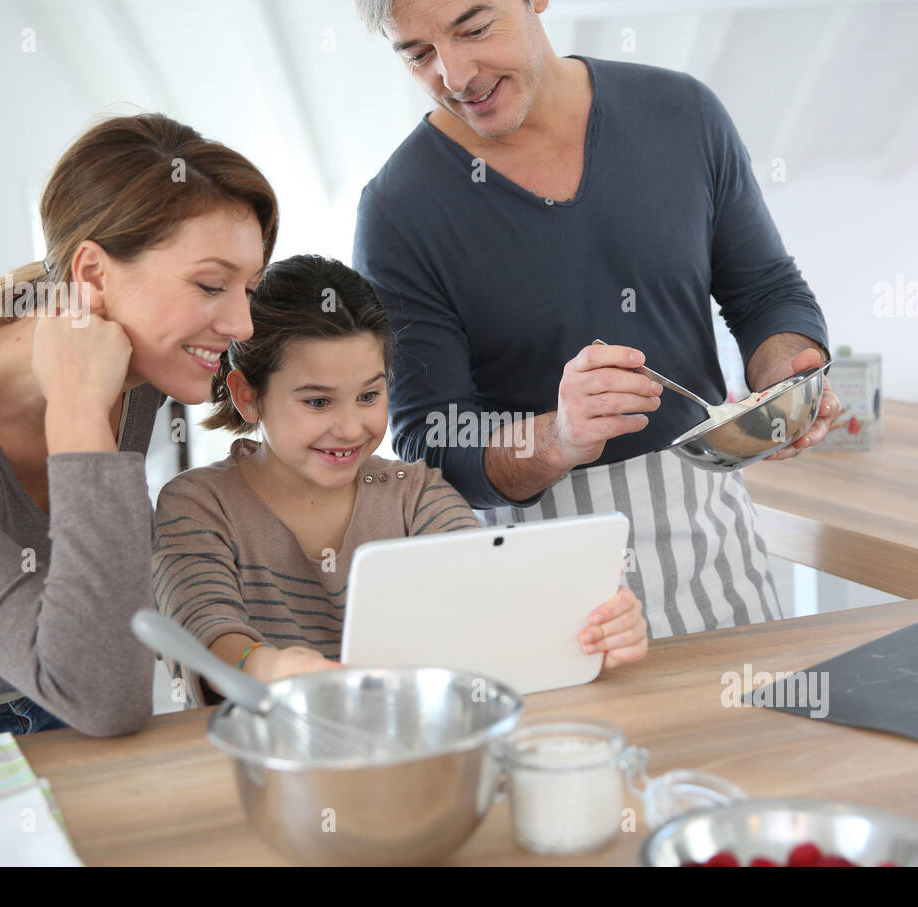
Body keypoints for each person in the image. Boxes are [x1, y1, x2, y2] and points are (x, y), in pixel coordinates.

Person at [351, 0, 842, 641]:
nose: (455, 74)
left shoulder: (683, 115)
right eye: (417, 54)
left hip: (716, 552)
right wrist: (557, 437)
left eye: (474, 29)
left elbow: (764, 289)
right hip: (542, 581)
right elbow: (430, 441)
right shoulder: (399, 208)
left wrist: (789, 371)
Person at [0, 114, 279, 758]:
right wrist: (75, 408)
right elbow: (105, 697)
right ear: (92, 274)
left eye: (249, 288)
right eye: (211, 285)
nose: (242, 322)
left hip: (65, 690)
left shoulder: (145, 358)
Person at [151, 254, 646, 708]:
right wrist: (271, 666)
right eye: (318, 402)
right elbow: (204, 634)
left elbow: (492, 593)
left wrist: (590, 632)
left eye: (369, 395)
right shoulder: (197, 504)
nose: (350, 427)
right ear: (247, 395)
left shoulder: (414, 494)